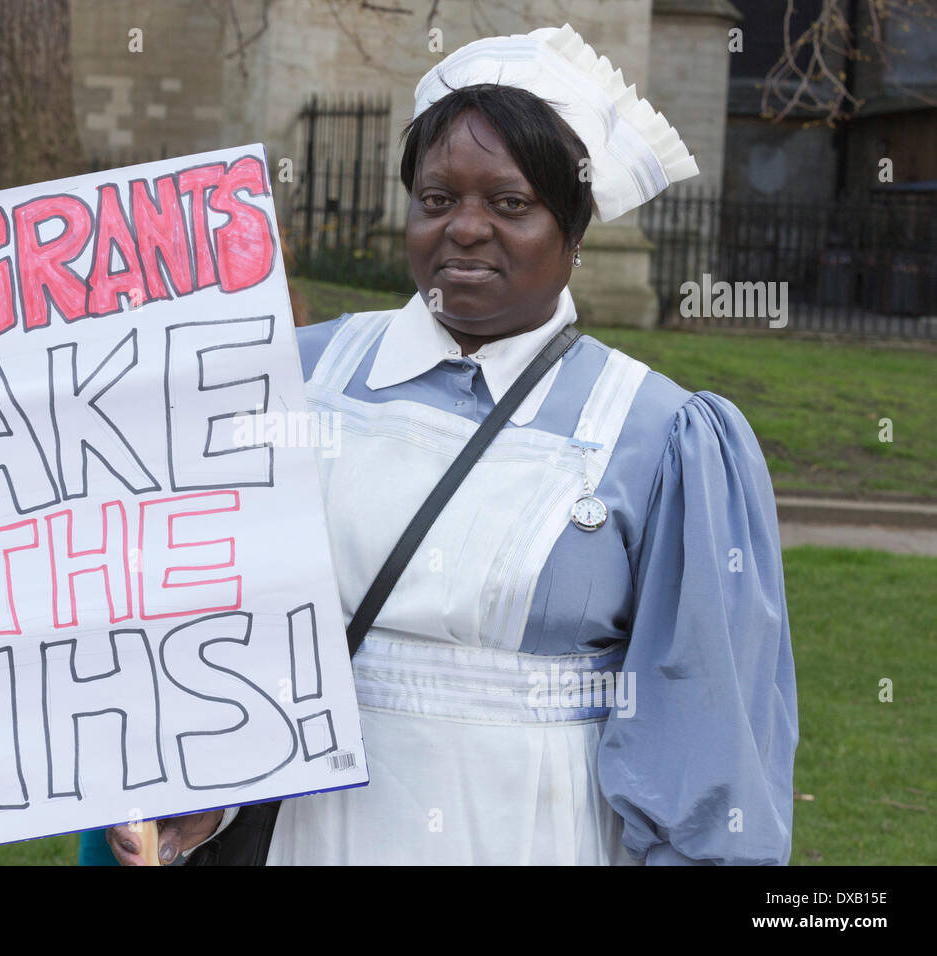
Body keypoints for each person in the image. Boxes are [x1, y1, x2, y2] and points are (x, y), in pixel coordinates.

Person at [102, 24, 798, 866]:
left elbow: (702, 731)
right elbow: (209, 619)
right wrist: (198, 801)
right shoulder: (300, 375)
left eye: (510, 204)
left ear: (573, 229)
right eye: (437, 200)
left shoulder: (660, 435)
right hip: (304, 843)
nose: (465, 229)